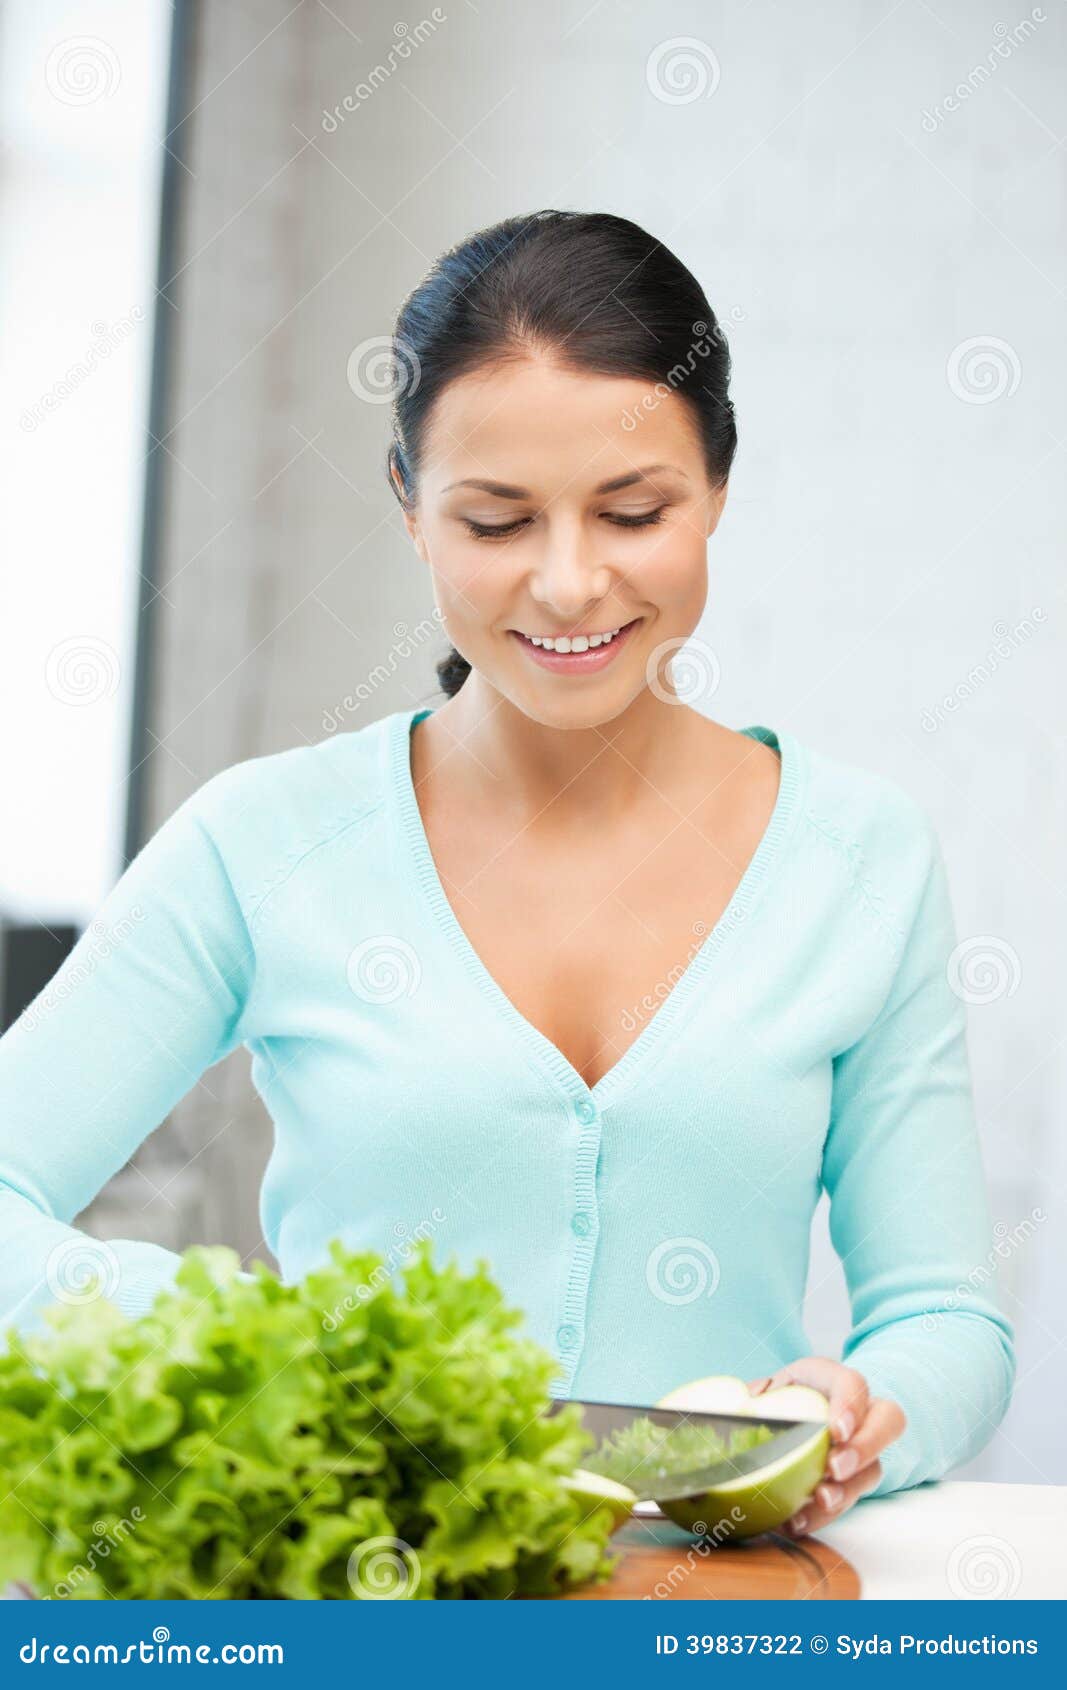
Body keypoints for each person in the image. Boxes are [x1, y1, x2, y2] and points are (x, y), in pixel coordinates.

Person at [0, 210, 1014, 1539]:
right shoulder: (264, 840)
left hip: (701, 1605)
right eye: (497, 520)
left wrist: (868, 1411)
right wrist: (250, 1341)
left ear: (718, 488)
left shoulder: (860, 858)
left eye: (634, 512)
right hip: (361, 1594)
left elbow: (947, 1317)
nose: (570, 583)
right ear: (410, 508)